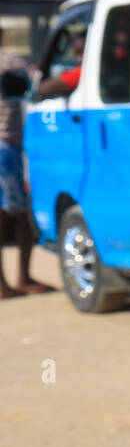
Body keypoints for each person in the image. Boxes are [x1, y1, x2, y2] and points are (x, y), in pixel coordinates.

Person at [0, 49, 50, 298]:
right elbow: (41, 83)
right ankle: (20, 278)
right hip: (6, 147)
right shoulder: (11, 62)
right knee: (20, 215)